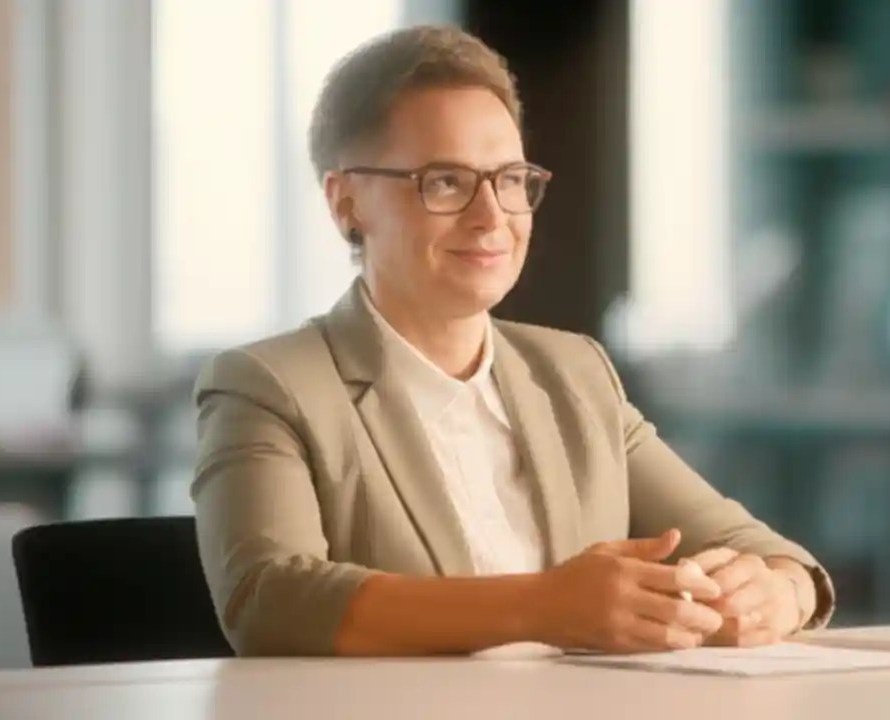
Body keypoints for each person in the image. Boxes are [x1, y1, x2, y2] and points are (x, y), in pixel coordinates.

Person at [192, 24, 835, 657]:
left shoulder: (574, 372)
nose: (492, 216)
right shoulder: (269, 384)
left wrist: (779, 591)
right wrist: (543, 605)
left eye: (509, 179)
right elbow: (267, 598)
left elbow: (761, 550)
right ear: (346, 203)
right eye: (445, 181)